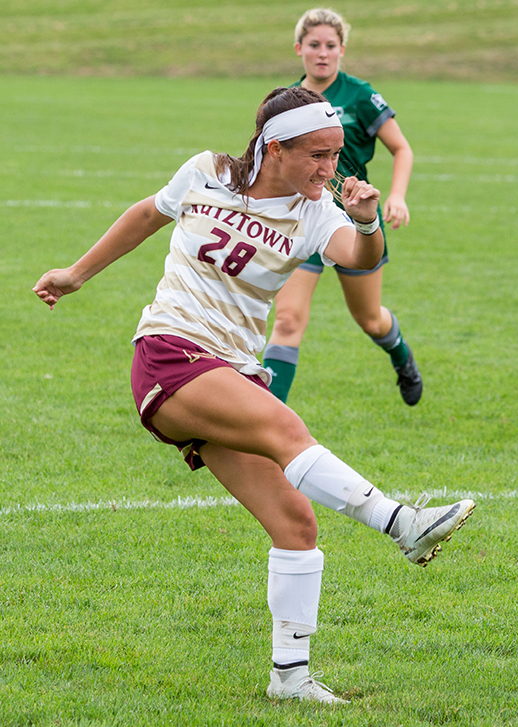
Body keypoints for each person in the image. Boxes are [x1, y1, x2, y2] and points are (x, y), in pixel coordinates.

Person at [33, 86, 474, 703]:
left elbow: (359, 256)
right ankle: (403, 524)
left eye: (337, 154)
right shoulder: (208, 171)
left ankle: (290, 679)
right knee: (287, 431)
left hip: (232, 371)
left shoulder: (318, 211)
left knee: (296, 524)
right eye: (317, 155)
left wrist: (368, 218)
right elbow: (145, 214)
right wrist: (74, 274)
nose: (331, 169)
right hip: (171, 353)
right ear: (273, 148)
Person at [262, 8, 422, 405]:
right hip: (301, 218)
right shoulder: (287, 101)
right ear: (299, 49)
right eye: (314, 45)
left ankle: (400, 355)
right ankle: (267, 420)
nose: (322, 53)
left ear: (342, 50)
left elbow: (401, 149)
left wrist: (397, 196)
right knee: (286, 320)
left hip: (351, 219)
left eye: (330, 46)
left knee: (370, 319)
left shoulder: (360, 95)